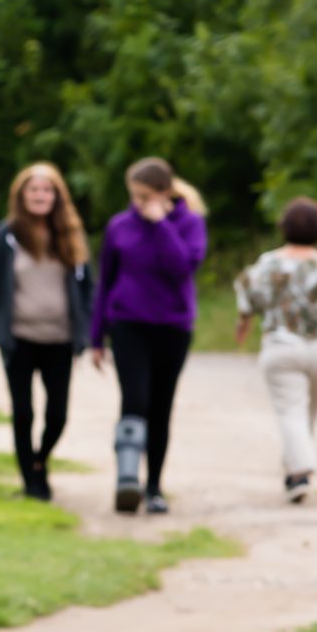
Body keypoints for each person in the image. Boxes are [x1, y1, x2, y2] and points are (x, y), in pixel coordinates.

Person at [89, 157, 209, 515]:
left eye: (144, 196)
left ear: (164, 193)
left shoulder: (190, 225)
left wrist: (161, 226)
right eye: (134, 196)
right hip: (129, 325)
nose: (137, 203)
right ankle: (127, 481)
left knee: (160, 406)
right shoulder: (119, 226)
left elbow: (183, 268)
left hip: (172, 327)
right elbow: (105, 280)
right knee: (134, 400)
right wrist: (96, 338)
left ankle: (154, 486)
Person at [0, 161, 93, 500]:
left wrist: (87, 329)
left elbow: (88, 287)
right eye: (34, 190)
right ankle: (32, 483)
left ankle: (40, 459)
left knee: (57, 414)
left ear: (57, 196)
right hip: (20, 340)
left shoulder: (71, 235)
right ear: (21, 196)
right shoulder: (5, 236)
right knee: (23, 412)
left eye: (47, 190)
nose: (40, 196)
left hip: (60, 339)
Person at [234, 197, 317, 503]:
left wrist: (244, 323)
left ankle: (299, 469)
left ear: (284, 228)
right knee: (306, 413)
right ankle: (298, 472)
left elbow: (248, 295)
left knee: (292, 413)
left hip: (281, 346)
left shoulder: (267, 264)